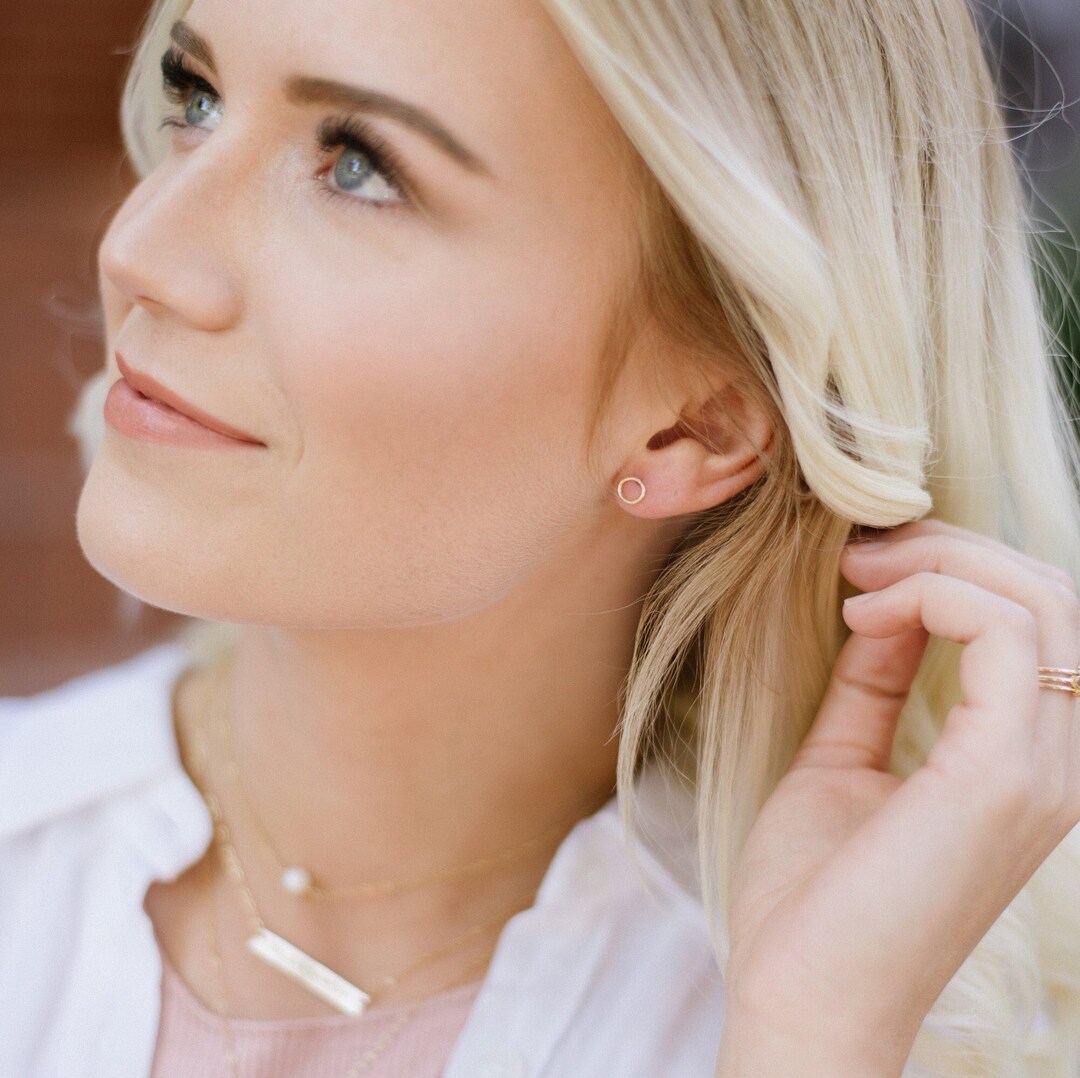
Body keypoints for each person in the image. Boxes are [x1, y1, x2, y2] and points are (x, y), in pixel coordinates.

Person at [2, 0, 1079, 1074]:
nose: (141, 248)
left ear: (693, 423)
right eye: (197, 97)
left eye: (360, 166)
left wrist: (814, 1043)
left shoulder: (906, 1022)